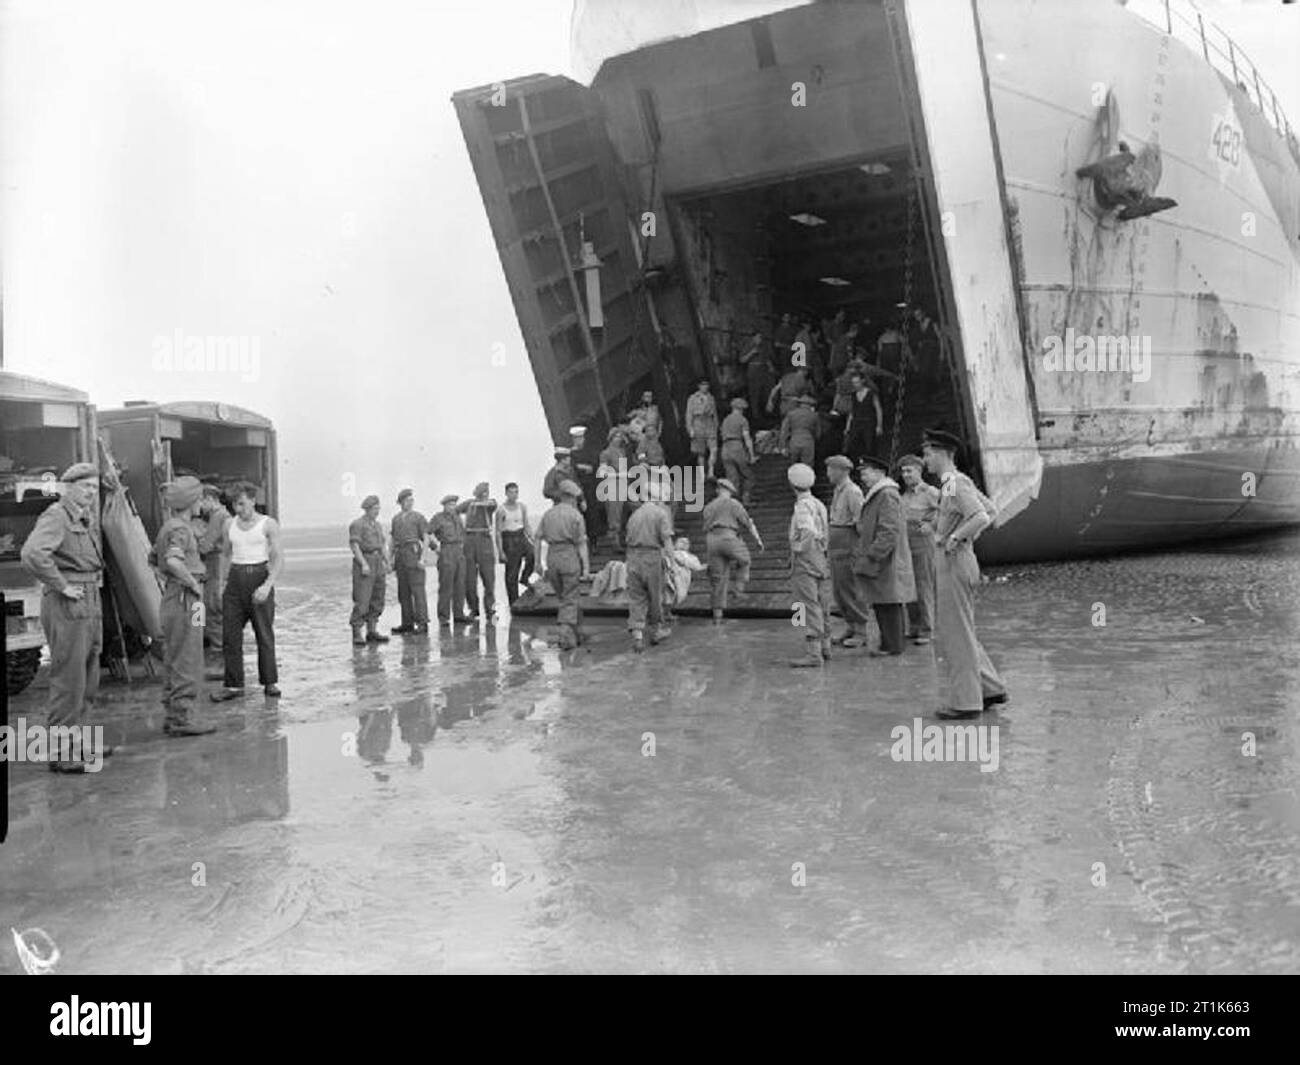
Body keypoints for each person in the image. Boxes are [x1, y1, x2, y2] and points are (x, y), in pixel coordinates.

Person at [19, 462, 110, 771]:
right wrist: (62, 585)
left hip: (88, 599)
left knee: (88, 678)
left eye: (94, 488)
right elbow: (32, 554)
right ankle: (60, 753)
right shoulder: (57, 516)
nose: (91, 493)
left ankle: (80, 742)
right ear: (69, 487)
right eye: (85, 487)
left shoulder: (83, 519)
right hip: (68, 603)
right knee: (69, 679)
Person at [922, 428, 1007, 718]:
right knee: (962, 630)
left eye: (927, 454)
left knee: (955, 635)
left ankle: (966, 702)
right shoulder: (955, 483)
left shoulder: (954, 484)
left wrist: (955, 538)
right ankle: (990, 687)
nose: (925, 460)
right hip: (959, 561)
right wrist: (944, 529)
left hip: (954, 561)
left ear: (942, 453)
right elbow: (992, 510)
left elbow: (981, 516)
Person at [153, 476, 218, 736]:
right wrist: (191, 582)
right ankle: (183, 717)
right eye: (200, 497)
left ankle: (175, 713)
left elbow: (153, 558)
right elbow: (173, 561)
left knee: (184, 651)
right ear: (192, 501)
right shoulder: (180, 529)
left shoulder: (172, 526)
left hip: (185, 597)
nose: (202, 502)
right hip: (186, 597)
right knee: (187, 656)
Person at [213, 482, 282, 699]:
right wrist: (221, 584)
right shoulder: (228, 525)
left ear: (253, 500)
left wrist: (267, 586)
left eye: (242, 503)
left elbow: (278, 557)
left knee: (264, 634)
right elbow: (225, 554)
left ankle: (270, 682)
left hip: (259, 576)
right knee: (230, 636)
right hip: (235, 579)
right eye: (234, 504)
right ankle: (234, 685)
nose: (238, 509)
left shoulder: (268, 524)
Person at [852, 456, 915, 656]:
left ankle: (893, 646)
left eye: (866, 471)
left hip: (886, 560)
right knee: (882, 602)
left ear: (879, 472)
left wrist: (873, 554)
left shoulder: (886, 494)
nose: (863, 476)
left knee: (889, 602)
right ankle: (888, 645)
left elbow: (889, 531)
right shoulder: (880, 493)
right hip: (883, 559)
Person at [535, 479, 590, 650]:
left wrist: (538, 562)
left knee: (566, 598)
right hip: (568, 557)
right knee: (570, 598)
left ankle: (578, 632)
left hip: (552, 558)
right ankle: (566, 638)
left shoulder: (548, 514)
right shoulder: (576, 515)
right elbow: (581, 544)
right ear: (572, 497)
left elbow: (537, 538)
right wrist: (586, 567)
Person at [787, 462, 832, 668]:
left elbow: (808, 531)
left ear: (792, 485)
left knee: (807, 603)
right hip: (821, 557)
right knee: (822, 603)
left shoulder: (802, 505)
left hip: (806, 559)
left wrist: (798, 548)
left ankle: (813, 653)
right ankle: (826, 645)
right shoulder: (819, 504)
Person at [701, 477, 763, 624]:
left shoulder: (709, 507)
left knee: (718, 579)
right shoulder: (734, 504)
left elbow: (705, 526)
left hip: (711, 541)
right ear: (730, 491)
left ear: (718, 490)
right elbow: (748, 523)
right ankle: (738, 589)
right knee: (745, 559)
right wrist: (758, 541)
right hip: (728, 537)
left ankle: (717, 618)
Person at [824, 454, 872, 647]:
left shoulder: (852, 492)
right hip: (837, 545)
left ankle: (861, 630)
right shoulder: (838, 490)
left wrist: (859, 548)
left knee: (851, 588)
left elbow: (860, 521)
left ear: (840, 471)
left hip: (848, 544)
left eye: (830, 469)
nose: (827, 473)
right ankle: (850, 625)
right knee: (839, 589)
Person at [623, 480, 674, 652]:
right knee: (655, 596)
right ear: (656, 496)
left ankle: (637, 635)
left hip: (633, 559)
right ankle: (656, 631)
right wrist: (672, 562)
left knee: (636, 598)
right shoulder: (660, 514)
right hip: (652, 557)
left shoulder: (634, 516)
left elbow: (627, 540)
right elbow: (666, 540)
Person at [898, 455, 941, 645]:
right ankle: (914, 626)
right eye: (903, 471)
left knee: (924, 586)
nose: (905, 475)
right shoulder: (903, 495)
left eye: (910, 471)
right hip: (906, 545)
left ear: (919, 471)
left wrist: (931, 525)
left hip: (923, 544)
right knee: (909, 585)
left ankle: (927, 629)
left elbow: (945, 511)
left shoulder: (930, 492)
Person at [346, 494, 389, 647]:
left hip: (378, 562)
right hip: (365, 561)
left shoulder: (377, 525)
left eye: (378, 508)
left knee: (378, 597)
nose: (377, 511)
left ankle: (372, 630)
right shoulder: (357, 524)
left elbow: (382, 545)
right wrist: (363, 563)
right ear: (367, 509)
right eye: (374, 509)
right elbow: (355, 545)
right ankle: (357, 632)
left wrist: (387, 562)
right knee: (362, 598)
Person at [195, 483, 230, 654]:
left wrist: (195, 541)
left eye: (201, 502)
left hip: (215, 565)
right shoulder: (223, 515)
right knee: (211, 607)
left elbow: (206, 546)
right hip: (218, 566)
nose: (200, 507)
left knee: (211, 607)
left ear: (210, 499)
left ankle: (217, 649)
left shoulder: (218, 517)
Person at [390, 488, 430, 635]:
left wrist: (423, 558)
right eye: (407, 500)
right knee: (403, 591)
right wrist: (390, 559)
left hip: (414, 552)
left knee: (418, 590)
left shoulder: (418, 517)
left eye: (411, 500)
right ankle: (407, 623)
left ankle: (423, 623)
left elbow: (425, 537)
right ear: (401, 502)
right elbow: (393, 540)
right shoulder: (396, 519)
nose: (410, 503)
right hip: (401, 555)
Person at [458, 482, 498, 622]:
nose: (483, 494)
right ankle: (473, 610)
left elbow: (491, 504)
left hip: (485, 540)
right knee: (469, 579)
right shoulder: (469, 503)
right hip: (469, 541)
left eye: (485, 491)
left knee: (489, 579)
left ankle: (491, 611)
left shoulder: (490, 504)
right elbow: (455, 510)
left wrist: (478, 503)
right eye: (481, 491)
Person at [430, 494, 471, 624]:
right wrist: (435, 547)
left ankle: (459, 614)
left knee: (460, 585)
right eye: (450, 504)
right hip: (446, 551)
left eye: (454, 504)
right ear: (444, 506)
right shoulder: (438, 518)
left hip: (459, 552)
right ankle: (443, 617)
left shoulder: (458, 518)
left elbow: (463, 534)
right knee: (446, 586)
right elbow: (426, 532)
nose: (452, 507)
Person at [495, 482, 535, 607]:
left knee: (532, 554)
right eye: (511, 492)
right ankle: (514, 602)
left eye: (516, 492)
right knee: (512, 572)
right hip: (509, 538)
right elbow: (498, 532)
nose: (514, 495)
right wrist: (500, 551)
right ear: (506, 493)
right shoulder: (501, 510)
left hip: (521, 535)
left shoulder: (522, 506)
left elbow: (526, 524)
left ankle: (525, 577)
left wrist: (532, 539)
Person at [719, 396, 757, 505]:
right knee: (748, 475)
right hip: (737, 447)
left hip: (725, 449)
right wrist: (752, 455)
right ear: (741, 409)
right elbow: (747, 438)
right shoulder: (742, 420)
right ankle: (746, 499)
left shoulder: (725, 420)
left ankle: (733, 502)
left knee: (732, 478)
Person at [842, 371, 884, 461]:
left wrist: (879, 425)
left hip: (869, 422)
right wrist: (847, 427)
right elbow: (851, 412)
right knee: (853, 445)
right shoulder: (853, 395)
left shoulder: (871, 393)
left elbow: (878, 409)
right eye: (853, 383)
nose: (855, 385)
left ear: (862, 381)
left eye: (857, 382)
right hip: (856, 422)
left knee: (869, 446)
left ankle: (871, 463)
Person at [599, 428, 630, 548]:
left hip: (623, 485)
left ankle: (622, 539)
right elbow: (602, 472)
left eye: (620, 436)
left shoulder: (622, 452)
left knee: (623, 513)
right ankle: (615, 542)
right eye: (616, 436)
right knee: (614, 515)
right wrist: (618, 475)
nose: (619, 438)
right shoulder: (606, 453)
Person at [685, 378, 719, 477]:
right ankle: (701, 473)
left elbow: (715, 413)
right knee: (700, 452)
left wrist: (716, 426)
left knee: (714, 448)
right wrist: (690, 429)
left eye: (707, 384)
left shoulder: (711, 397)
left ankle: (711, 471)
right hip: (697, 423)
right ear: (699, 386)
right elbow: (689, 414)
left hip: (709, 423)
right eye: (703, 385)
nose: (705, 387)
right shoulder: (692, 398)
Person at [739, 331, 774, 425]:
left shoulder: (763, 347)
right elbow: (742, 360)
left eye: (761, 337)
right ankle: (755, 415)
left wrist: (771, 367)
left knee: (765, 392)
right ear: (753, 338)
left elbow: (767, 359)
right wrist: (751, 353)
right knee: (754, 394)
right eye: (758, 337)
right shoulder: (748, 346)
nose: (760, 339)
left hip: (763, 371)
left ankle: (765, 414)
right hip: (753, 371)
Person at [780, 393, 820, 468]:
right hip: (808, 442)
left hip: (794, 441)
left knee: (793, 466)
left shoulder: (791, 414)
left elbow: (784, 431)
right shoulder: (814, 415)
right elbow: (818, 433)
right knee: (808, 467)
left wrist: (783, 446)